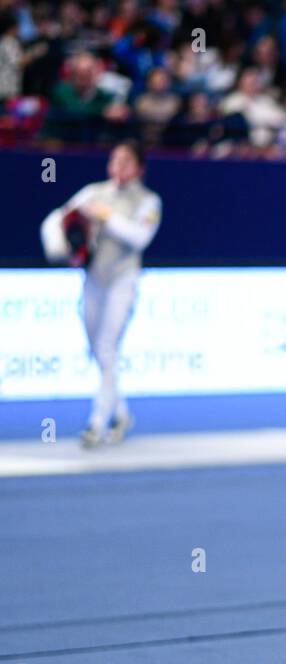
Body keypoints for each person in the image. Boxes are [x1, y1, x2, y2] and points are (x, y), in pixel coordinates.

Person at [40, 141, 162, 447]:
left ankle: (97, 422)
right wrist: (59, 248)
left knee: (107, 347)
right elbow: (55, 219)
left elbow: (139, 237)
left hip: (124, 280)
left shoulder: (149, 201)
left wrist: (107, 216)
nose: (119, 166)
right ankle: (121, 413)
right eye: (115, 160)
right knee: (96, 348)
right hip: (93, 279)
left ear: (139, 168)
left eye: (126, 161)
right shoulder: (94, 192)